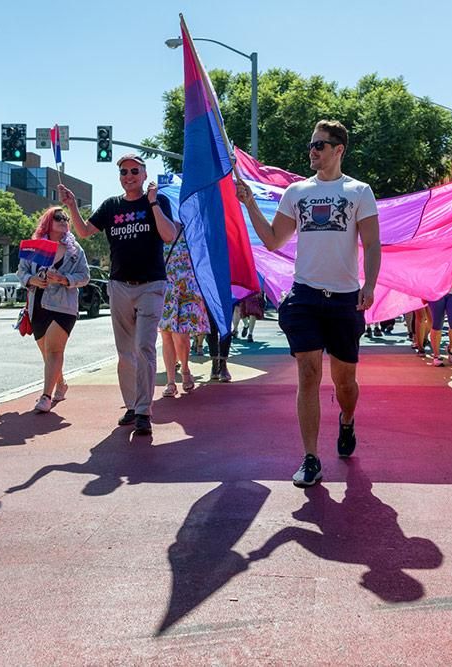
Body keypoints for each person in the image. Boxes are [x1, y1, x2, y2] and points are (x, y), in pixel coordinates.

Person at [237, 120, 380, 487]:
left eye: (320, 145)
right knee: (309, 374)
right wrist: (251, 204)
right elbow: (272, 240)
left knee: (344, 380)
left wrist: (370, 285)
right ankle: (311, 458)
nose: (313, 151)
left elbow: (372, 245)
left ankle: (346, 420)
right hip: (305, 296)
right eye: (311, 144)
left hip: (345, 299)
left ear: (338, 150)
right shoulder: (296, 192)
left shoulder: (359, 191)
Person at [58, 154, 179, 436]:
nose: (129, 176)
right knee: (125, 353)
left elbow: (169, 235)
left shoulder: (158, 202)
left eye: (134, 171)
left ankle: (144, 411)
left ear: (144, 173)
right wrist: (72, 205)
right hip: (120, 285)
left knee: (144, 347)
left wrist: (151, 203)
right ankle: (132, 406)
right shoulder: (111, 205)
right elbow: (85, 232)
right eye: (124, 172)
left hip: (151, 285)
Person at [18, 206, 90, 412]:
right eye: (58, 217)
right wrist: (31, 279)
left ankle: (45, 397)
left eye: (66, 218)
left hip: (64, 306)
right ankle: (61, 383)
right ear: (48, 221)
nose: (64, 221)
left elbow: (85, 276)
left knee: (55, 350)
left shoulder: (75, 249)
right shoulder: (34, 247)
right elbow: (21, 271)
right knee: (46, 352)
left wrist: (65, 279)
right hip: (38, 304)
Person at [158, 234, 208, 397]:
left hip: (187, 290)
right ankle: (171, 381)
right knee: (166, 335)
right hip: (164, 290)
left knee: (181, 336)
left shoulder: (190, 230)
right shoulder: (159, 229)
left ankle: (185, 368)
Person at [427, 261, 452, 367]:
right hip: (436, 290)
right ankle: (436, 354)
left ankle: (451, 347)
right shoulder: (434, 246)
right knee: (437, 323)